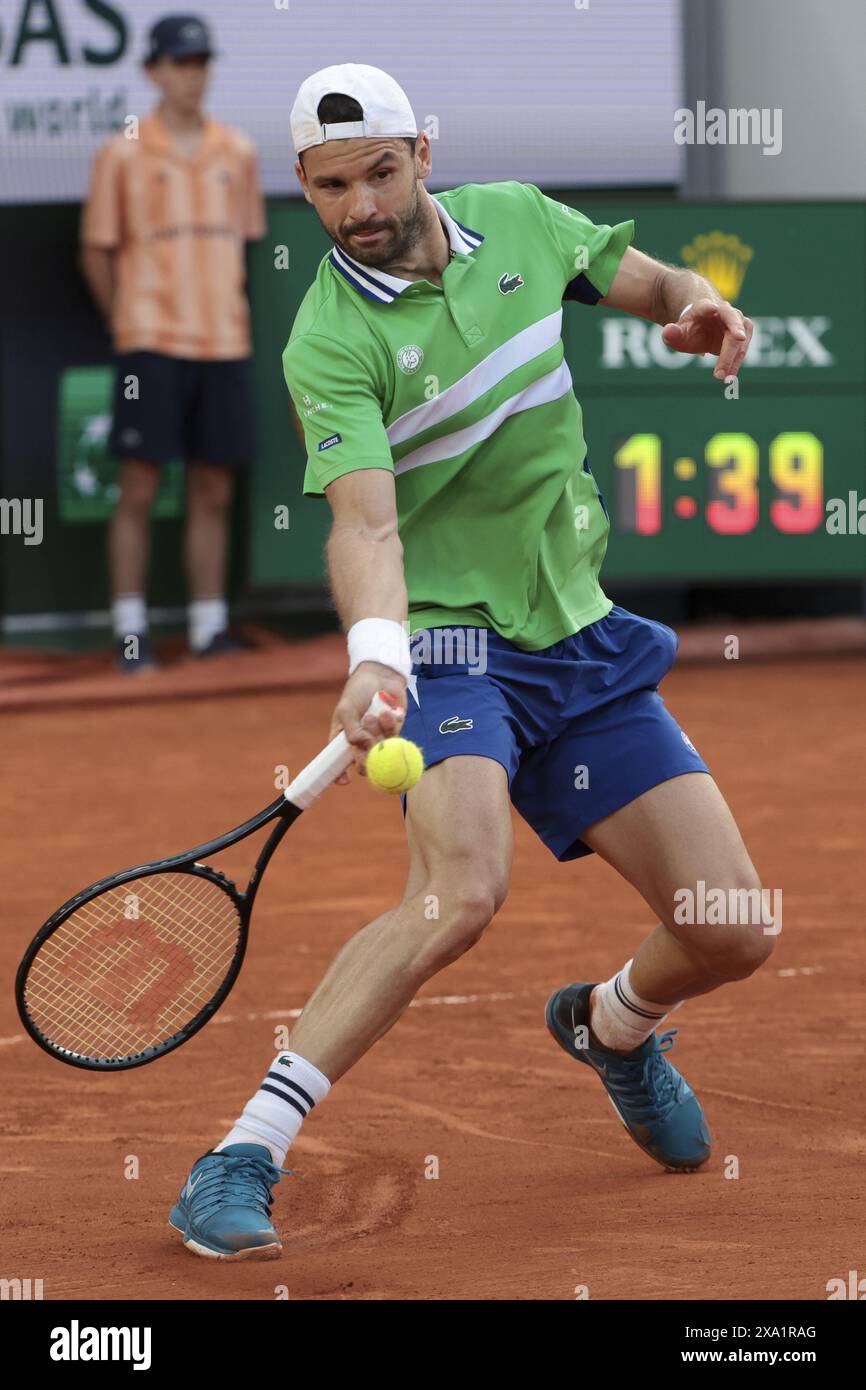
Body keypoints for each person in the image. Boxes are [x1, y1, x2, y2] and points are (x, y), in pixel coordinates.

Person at [169, 64, 768, 1262]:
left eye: (379, 172)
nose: (359, 207)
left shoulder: (528, 225)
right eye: (331, 187)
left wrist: (689, 298)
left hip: (577, 634)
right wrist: (376, 654)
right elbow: (366, 525)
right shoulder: (327, 339)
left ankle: (610, 1025)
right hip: (446, 642)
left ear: (423, 153)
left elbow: (631, 275)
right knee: (459, 893)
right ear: (303, 186)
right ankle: (239, 1154)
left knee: (730, 927)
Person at [79, 14, 265, 671]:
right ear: (153, 71)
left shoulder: (237, 150)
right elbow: (97, 250)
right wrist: (127, 322)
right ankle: (131, 630)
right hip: (150, 339)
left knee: (213, 486)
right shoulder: (123, 152)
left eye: (201, 62)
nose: (194, 75)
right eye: (181, 62)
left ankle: (209, 626)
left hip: (224, 339)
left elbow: (244, 241)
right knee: (138, 484)